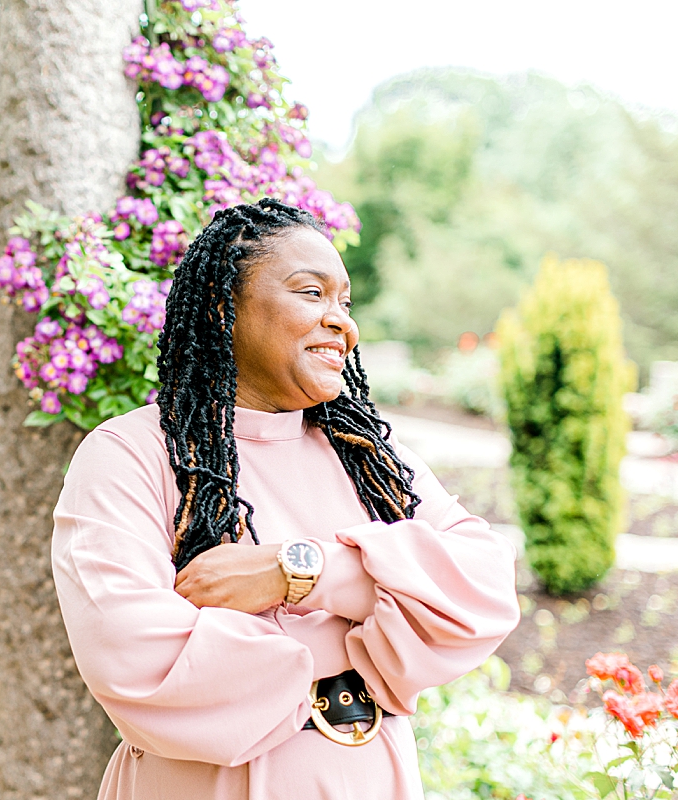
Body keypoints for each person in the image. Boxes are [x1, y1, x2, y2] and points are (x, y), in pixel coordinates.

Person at [52, 198, 520, 799]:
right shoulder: (129, 454)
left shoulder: (367, 454)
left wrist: (301, 571)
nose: (341, 322)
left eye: (345, 302)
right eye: (311, 293)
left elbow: (485, 587)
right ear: (222, 306)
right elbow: (138, 661)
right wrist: (376, 628)